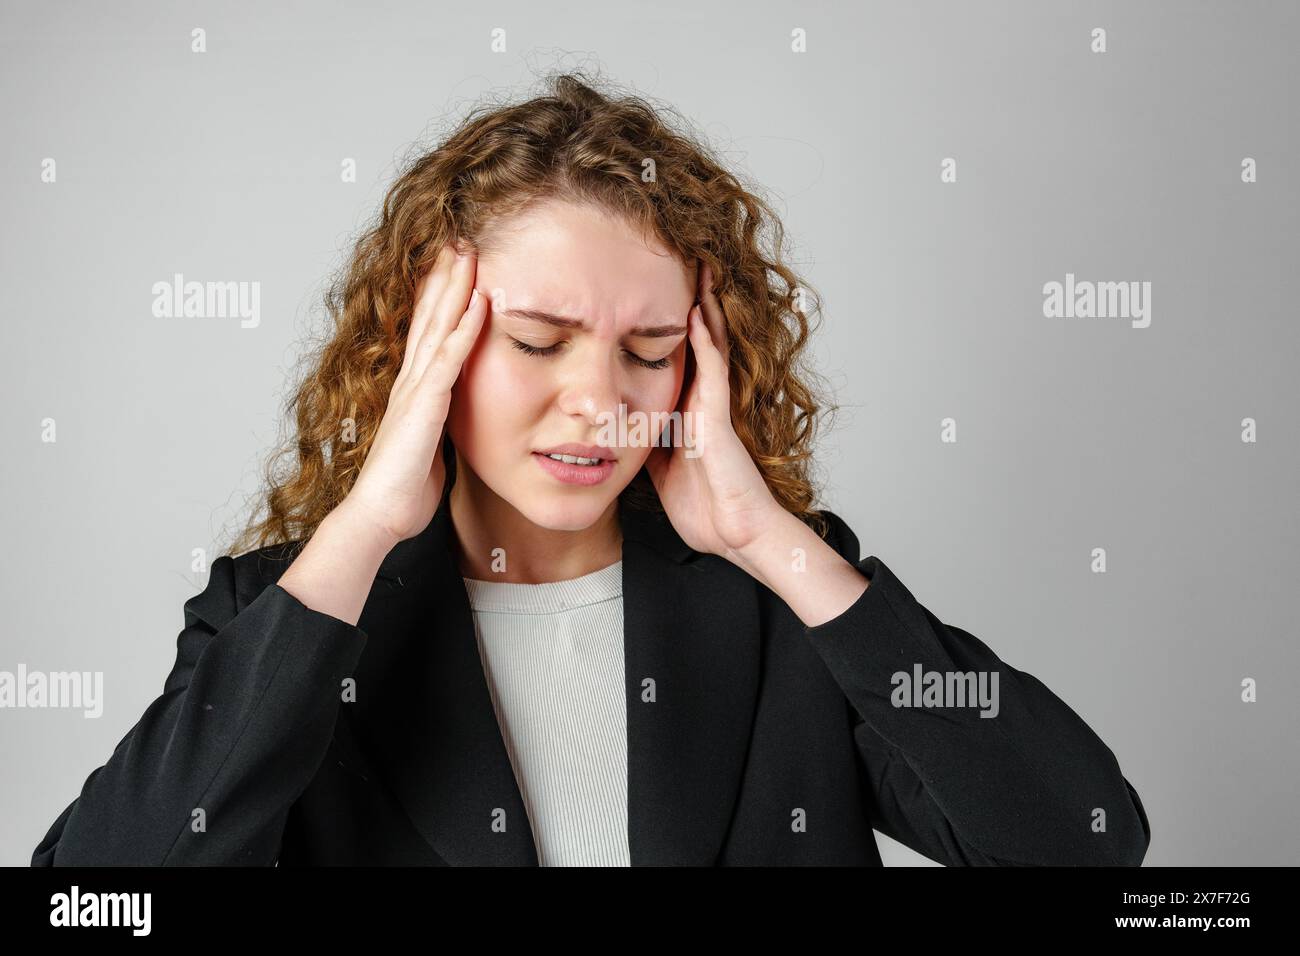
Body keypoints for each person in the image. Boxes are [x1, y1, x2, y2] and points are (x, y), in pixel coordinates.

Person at [31, 73, 1151, 867]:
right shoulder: (290, 615)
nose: (601, 401)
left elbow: (1080, 840)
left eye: (649, 353)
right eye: (536, 341)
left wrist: (778, 547)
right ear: (428, 345)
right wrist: (362, 531)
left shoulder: (780, 603)